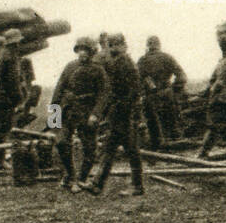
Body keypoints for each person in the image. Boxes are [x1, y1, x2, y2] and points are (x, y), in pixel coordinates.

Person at [82, 33, 145, 197]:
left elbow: (132, 91)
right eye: (110, 45)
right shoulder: (118, 61)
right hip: (119, 113)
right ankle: (97, 184)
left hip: (125, 113)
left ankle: (136, 186)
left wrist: (124, 109)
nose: (111, 48)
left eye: (114, 45)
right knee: (110, 149)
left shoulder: (124, 63)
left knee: (130, 150)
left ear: (122, 45)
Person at [51, 36, 109, 191]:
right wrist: (53, 119)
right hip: (68, 110)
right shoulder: (70, 66)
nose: (82, 53)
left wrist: (95, 114)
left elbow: (103, 94)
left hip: (87, 112)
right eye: (80, 50)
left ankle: (82, 178)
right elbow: (58, 91)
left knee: (90, 148)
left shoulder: (98, 70)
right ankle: (70, 175)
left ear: (92, 52)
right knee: (62, 142)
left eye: (86, 50)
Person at [0, 29, 25, 169]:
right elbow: (13, 82)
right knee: (2, 130)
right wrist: (19, 100)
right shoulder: (11, 56)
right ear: (15, 42)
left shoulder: (3, 53)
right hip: (5, 99)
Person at [137, 36, 187, 148]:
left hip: (150, 96)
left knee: (153, 124)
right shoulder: (167, 58)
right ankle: (175, 143)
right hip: (167, 93)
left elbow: (136, 80)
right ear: (159, 44)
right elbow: (182, 77)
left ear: (148, 45)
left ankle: (157, 145)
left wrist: (144, 90)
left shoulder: (142, 60)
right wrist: (174, 88)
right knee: (171, 120)